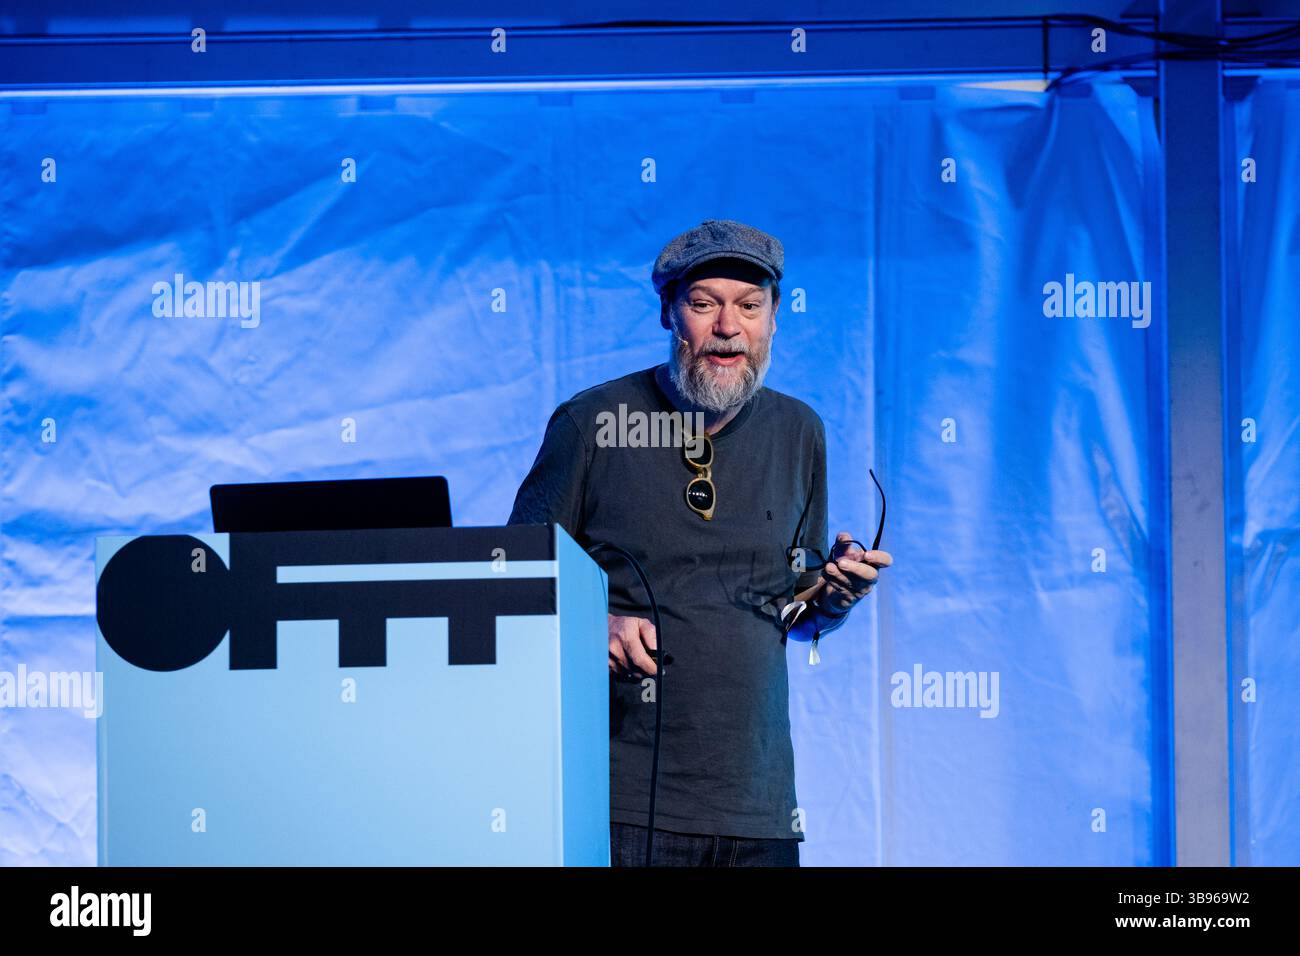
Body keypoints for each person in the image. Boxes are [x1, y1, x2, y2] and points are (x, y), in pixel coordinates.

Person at [507, 218, 892, 866]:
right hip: (619, 808)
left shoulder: (800, 431)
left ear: (774, 319)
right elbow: (509, 584)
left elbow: (793, 607)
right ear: (668, 312)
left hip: (761, 810)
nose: (727, 326)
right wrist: (589, 624)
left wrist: (834, 593)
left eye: (750, 305)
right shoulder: (594, 423)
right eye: (704, 302)